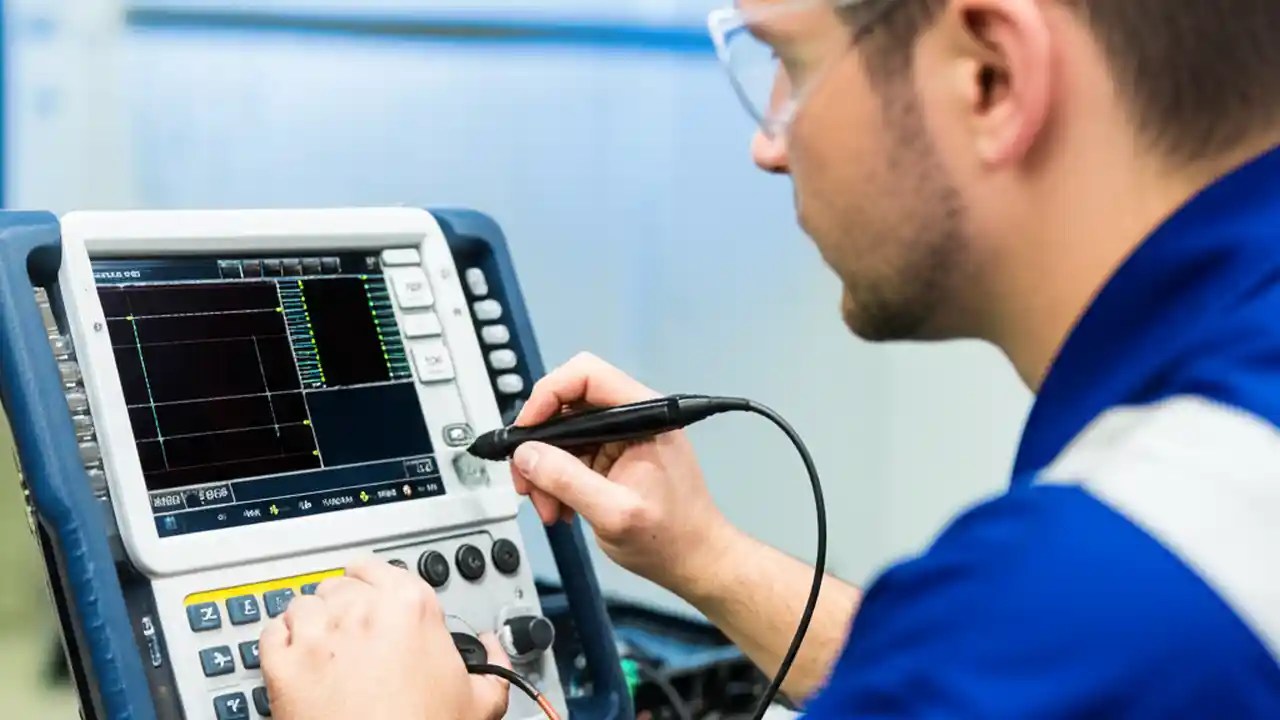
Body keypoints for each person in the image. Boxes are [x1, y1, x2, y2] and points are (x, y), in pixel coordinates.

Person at [259, 0, 1280, 716]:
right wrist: (702, 556)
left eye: (789, 65)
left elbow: (1025, 653)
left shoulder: (1099, 595)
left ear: (988, 77)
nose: (770, 144)